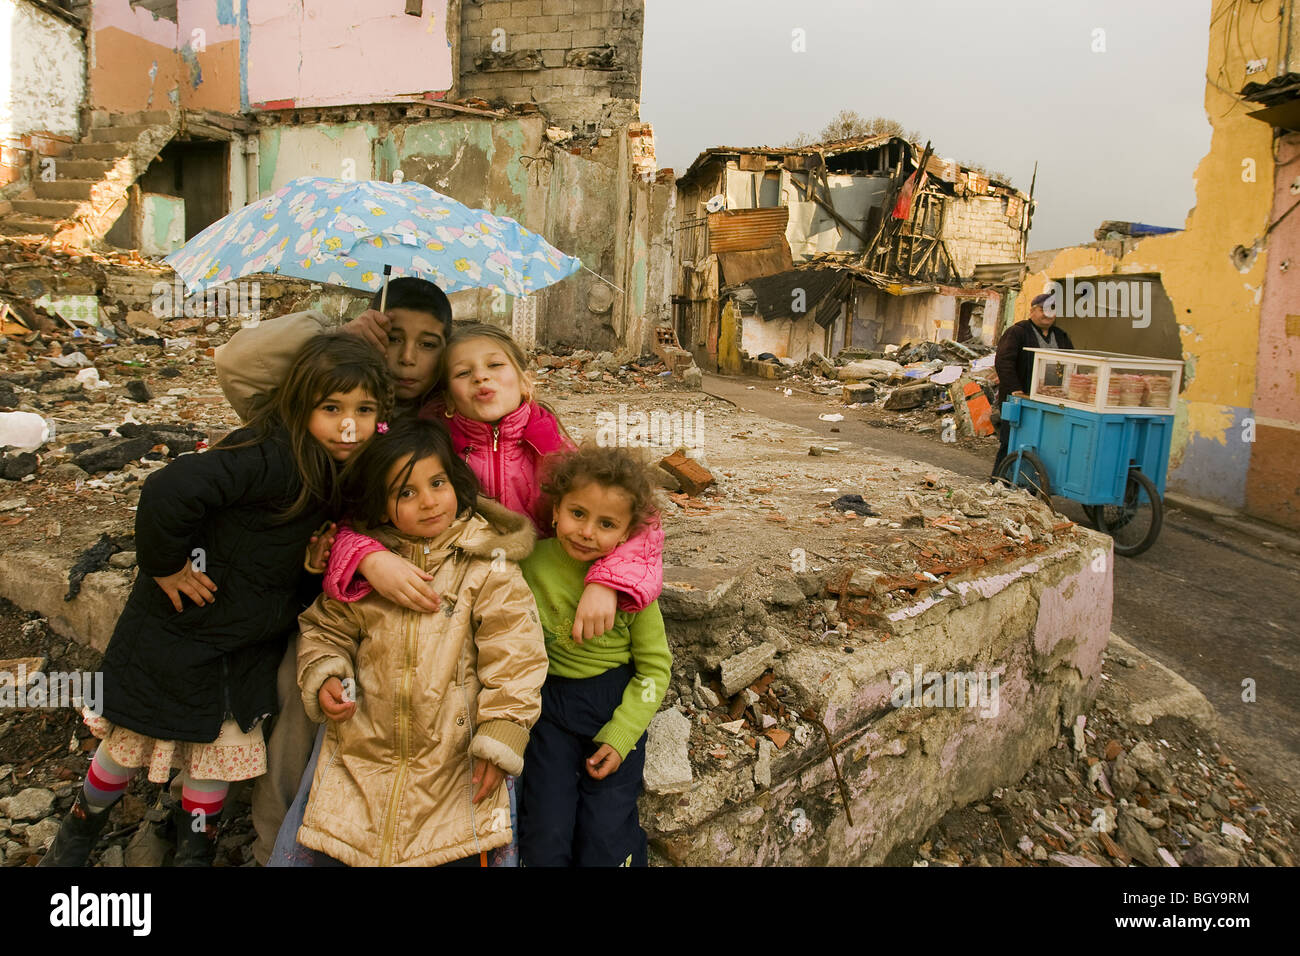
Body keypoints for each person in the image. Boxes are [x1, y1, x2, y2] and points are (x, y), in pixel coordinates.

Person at [39, 335, 391, 867]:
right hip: (178, 632)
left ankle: (192, 850)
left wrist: (309, 566)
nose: (349, 425)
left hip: (242, 644)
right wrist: (166, 565)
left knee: (216, 757)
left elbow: (271, 551)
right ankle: (77, 836)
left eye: (364, 410)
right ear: (300, 406)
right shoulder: (270, 456)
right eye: (332, 408)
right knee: (126, 745)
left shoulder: (332, 470)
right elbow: (169, 489)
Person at [213, 276, 450, 864]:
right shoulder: (330, 397)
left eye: (429, 344)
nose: (407, 359)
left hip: (424, 599)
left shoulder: (449, 418)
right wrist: (333, 333)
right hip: (324, 599)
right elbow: (236, 366)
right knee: (306, 691)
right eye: (394, 337)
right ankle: (277, 846)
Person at [293, 420, 548, 866]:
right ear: (381, 504)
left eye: (437, 483)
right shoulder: (370, 566)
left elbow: (515, 654)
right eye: (405, 493)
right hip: (362, 764)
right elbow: (325, 628)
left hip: (454, 769)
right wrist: (326, 673)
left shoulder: (487, 565)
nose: (428, 501)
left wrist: (502, 731)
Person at [516, 445, 672, 866]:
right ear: (555, 511)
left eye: (606, 524)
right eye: (577, 513)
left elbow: (656, 669)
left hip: (613, 706)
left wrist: (623, 736)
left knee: (606, 834)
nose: (586, 532)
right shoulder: (530, 564)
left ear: (626, 535)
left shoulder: (632, 587)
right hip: (548, 710)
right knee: (545, 829)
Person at [992, 290, 1075, 478]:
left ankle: (1031, 484)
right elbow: (1004, 362)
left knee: (1043, 444)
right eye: (1042, 309)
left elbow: (1071, 363)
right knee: (1011, 441)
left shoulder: (1061, 336)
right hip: (1019, 398)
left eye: (1052, 309)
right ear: (1032, 311)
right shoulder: (1018, 332)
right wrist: (1016, 390)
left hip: (1050, 401)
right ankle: (998, 481)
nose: (1047, 314)